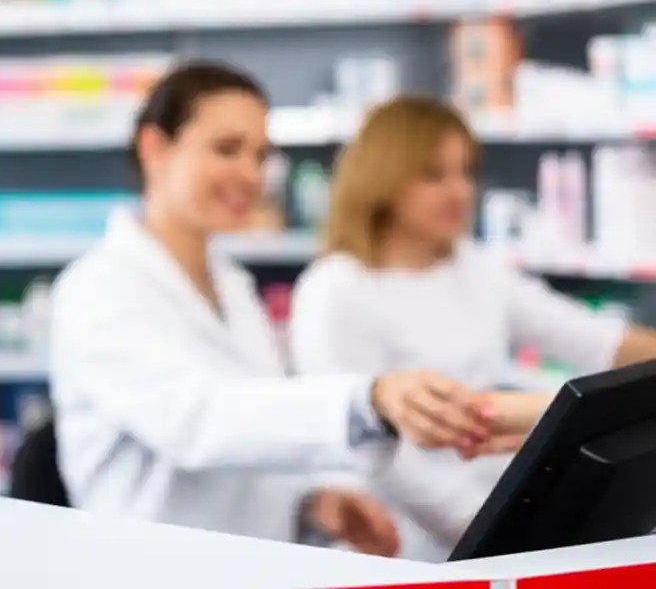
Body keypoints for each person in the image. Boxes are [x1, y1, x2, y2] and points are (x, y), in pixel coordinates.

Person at [49, 65, 527, 556]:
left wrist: (312, 505)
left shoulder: (231, 286)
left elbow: (252, 438)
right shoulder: (99, 290)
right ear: (155, 149)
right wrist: (367, 400)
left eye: (260, 155)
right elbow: (197, 422)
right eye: (226, 149)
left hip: (247, 566)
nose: (251, 175)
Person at [290, 95, 656, 560]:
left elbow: (596, 339)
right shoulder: (336, 288)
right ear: (382, 178)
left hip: (504, 506)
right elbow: (372, 448)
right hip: (404, 539)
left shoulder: (473, 267)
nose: (459, 191)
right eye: (434, 175)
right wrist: (481, 524)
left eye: (466, 172)